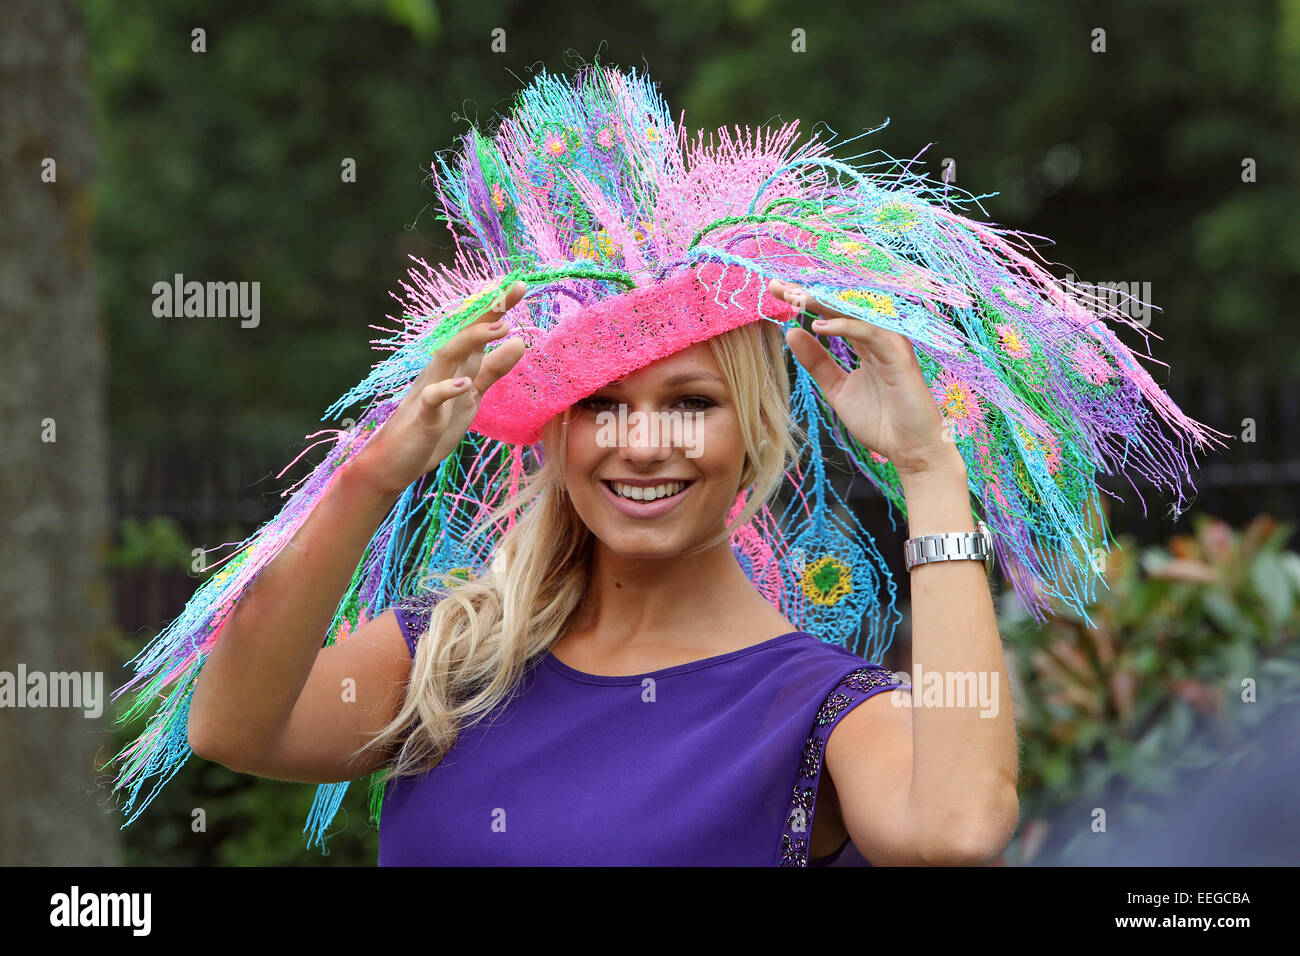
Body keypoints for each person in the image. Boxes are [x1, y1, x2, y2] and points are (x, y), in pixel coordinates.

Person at [113, 62, 1218, 865]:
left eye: (690, 404)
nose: (641, 440)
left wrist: (929, 470)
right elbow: (232, 723)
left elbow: (958, 828)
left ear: (753, 435)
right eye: (597, 405)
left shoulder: (819, 708)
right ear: (553, 436)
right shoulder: (451, 659)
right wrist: (375, 470)